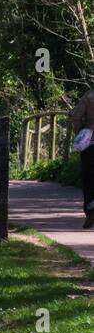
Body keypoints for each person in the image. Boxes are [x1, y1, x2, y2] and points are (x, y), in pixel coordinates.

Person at [71, 88, 94, 228]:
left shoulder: (89, 96)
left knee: (88, 176)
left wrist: (81, 131)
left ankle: (91, 209)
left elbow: (76, 116)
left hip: (90, 142)